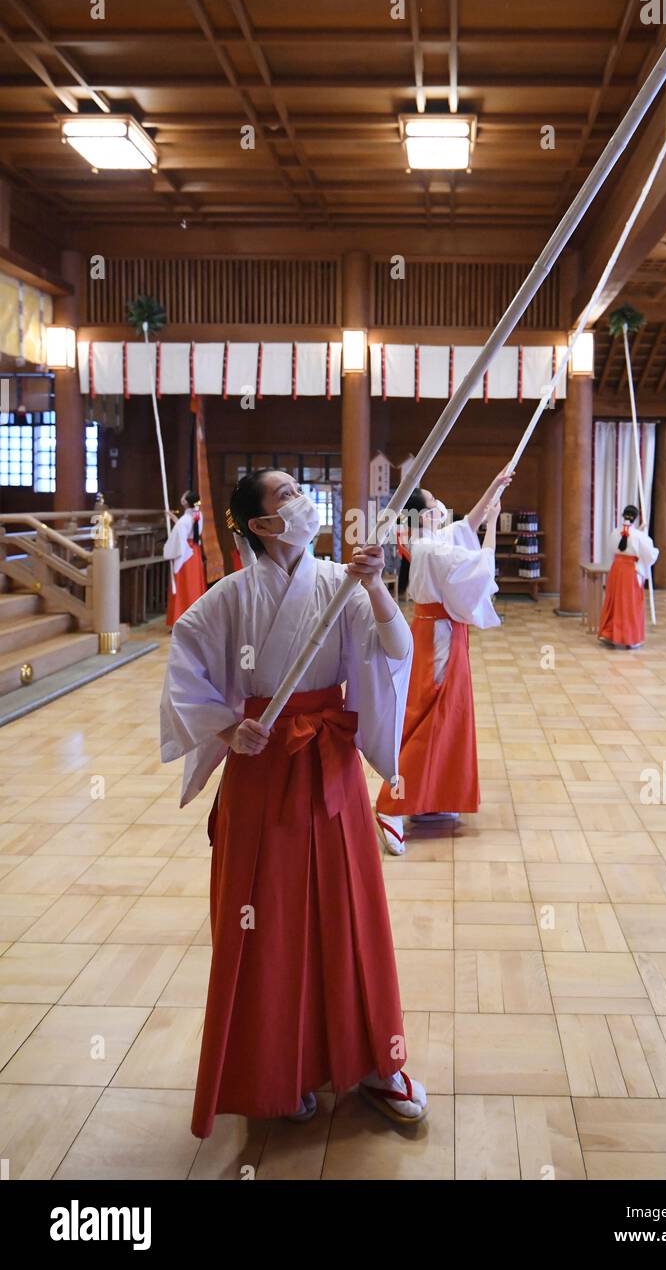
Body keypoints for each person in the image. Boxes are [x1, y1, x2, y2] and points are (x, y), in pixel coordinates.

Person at [160, 468, 427, 1135]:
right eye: (286, 496)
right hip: (259, 770)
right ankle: (278, 1069)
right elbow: (185, 667)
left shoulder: (342, 583)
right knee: (264, 922)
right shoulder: (227, 599)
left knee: (349, 912)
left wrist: (371, 588)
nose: (303, 503)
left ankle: (374, 1061)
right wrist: (226, 727)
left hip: (327, 764)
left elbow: (397, 649)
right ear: (259, 525)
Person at [374, 468, 513, 856]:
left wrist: (494, 486)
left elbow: (467, 523)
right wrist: (493, 529)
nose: (441, 509)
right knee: (433, 716)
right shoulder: (430, 548)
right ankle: (392, 805)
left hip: (441, 633)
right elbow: (480, 568)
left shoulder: (430, 539)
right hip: (438, 637)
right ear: (421, 516)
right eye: (434, 506)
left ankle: (432, 796)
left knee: (444, 714)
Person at [597, 503, 659, 650]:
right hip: (631, 571)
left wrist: (639, 533)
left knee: (614, 600)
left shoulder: (615, 532)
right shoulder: (639, 536)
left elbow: (615, 547)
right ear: (635, 518)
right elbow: (649, 554)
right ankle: (631, 638)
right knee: (630, 603)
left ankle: (611, 634)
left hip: (617, 568)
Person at [163, 489, 207, 627]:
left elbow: (179, 538)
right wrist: (172, 518)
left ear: (185, 501)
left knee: (183, 587)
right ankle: (195, 620)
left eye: (183, 496)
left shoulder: (185, 520)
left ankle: (180, 619)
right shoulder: (198, 515)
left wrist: (170, 553)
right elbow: (186, 527)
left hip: (185, 555)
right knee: (193, 586)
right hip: (194, 552)